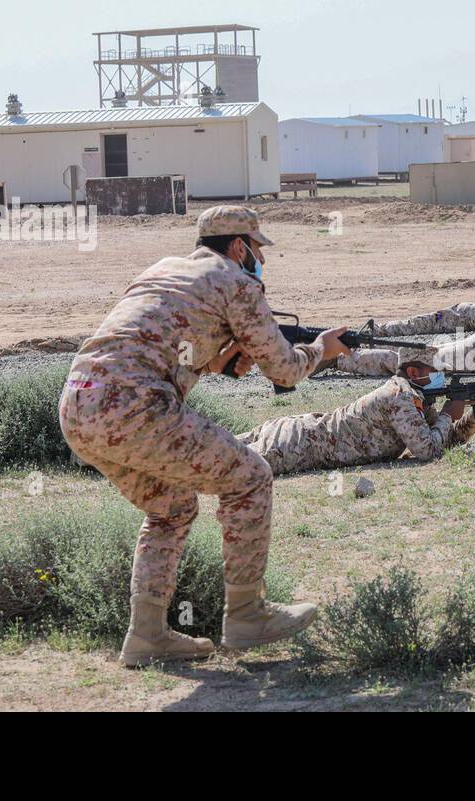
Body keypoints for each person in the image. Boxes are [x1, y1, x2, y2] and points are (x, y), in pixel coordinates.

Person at [59, 205, 350, 667]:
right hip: (134, 404)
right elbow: (286, 371)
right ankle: (247, 614)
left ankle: (147, 636)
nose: (261, 260)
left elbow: (163, 342)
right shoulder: (237, 281)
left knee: (171, 508)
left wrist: (216, 360)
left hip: (79, 404)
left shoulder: (164, 269)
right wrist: (321, 350)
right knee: (251, 477)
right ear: (239, 246)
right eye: (257, 249)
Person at [233, 348, 475, 474]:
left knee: (212, 448)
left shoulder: (416, 394)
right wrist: (448, 413)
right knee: (216, 465)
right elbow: (428, 451)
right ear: (414, 371)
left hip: (296, 434)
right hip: (295, 445)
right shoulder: (400, 395)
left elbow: (444, 441)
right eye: (436, 371)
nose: (441, 376)